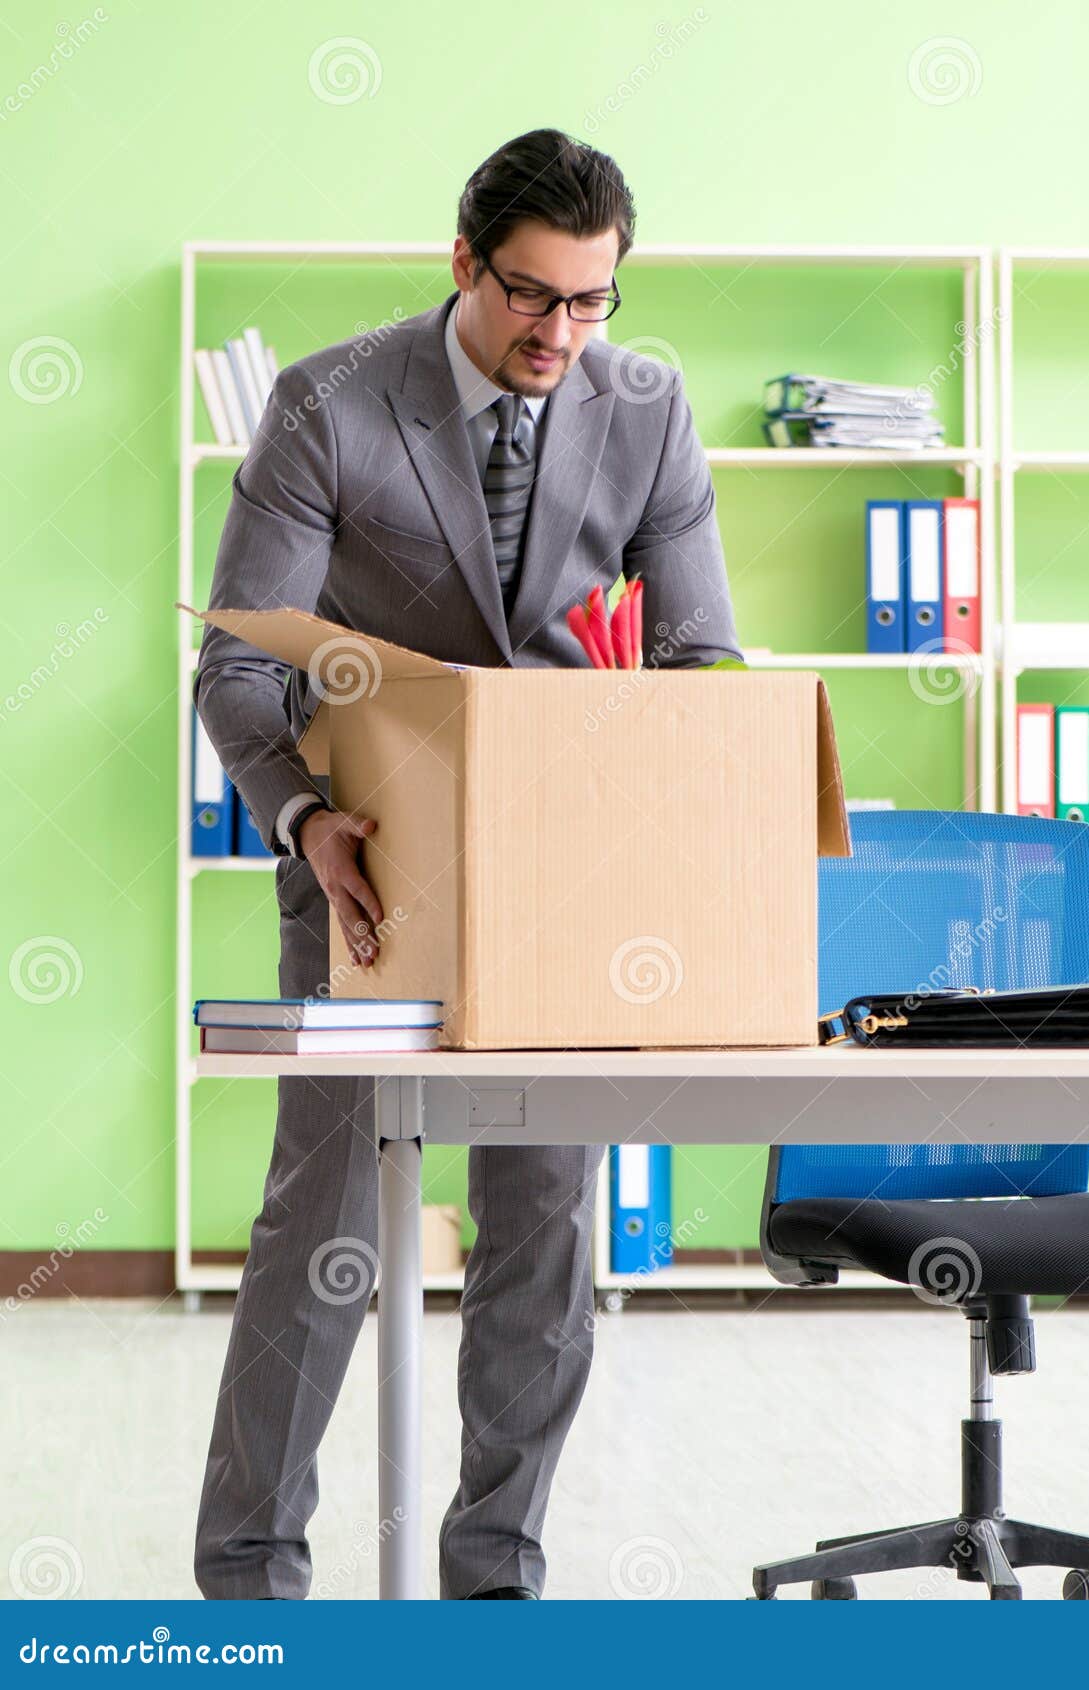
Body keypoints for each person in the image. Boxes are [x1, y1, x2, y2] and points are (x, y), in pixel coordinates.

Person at [192, 127, 742, 1599]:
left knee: (544, 1228)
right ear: (462, 262)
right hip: (375, 866)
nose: (559, 333)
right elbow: (238, 672)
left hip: (570, 881)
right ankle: (251, 1579)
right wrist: (307, 822)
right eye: (529, 297)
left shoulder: (647, 406)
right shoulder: (330, 402)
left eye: (590, 301)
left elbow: (704, 660)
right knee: (326, 1230)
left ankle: (494, 1580)